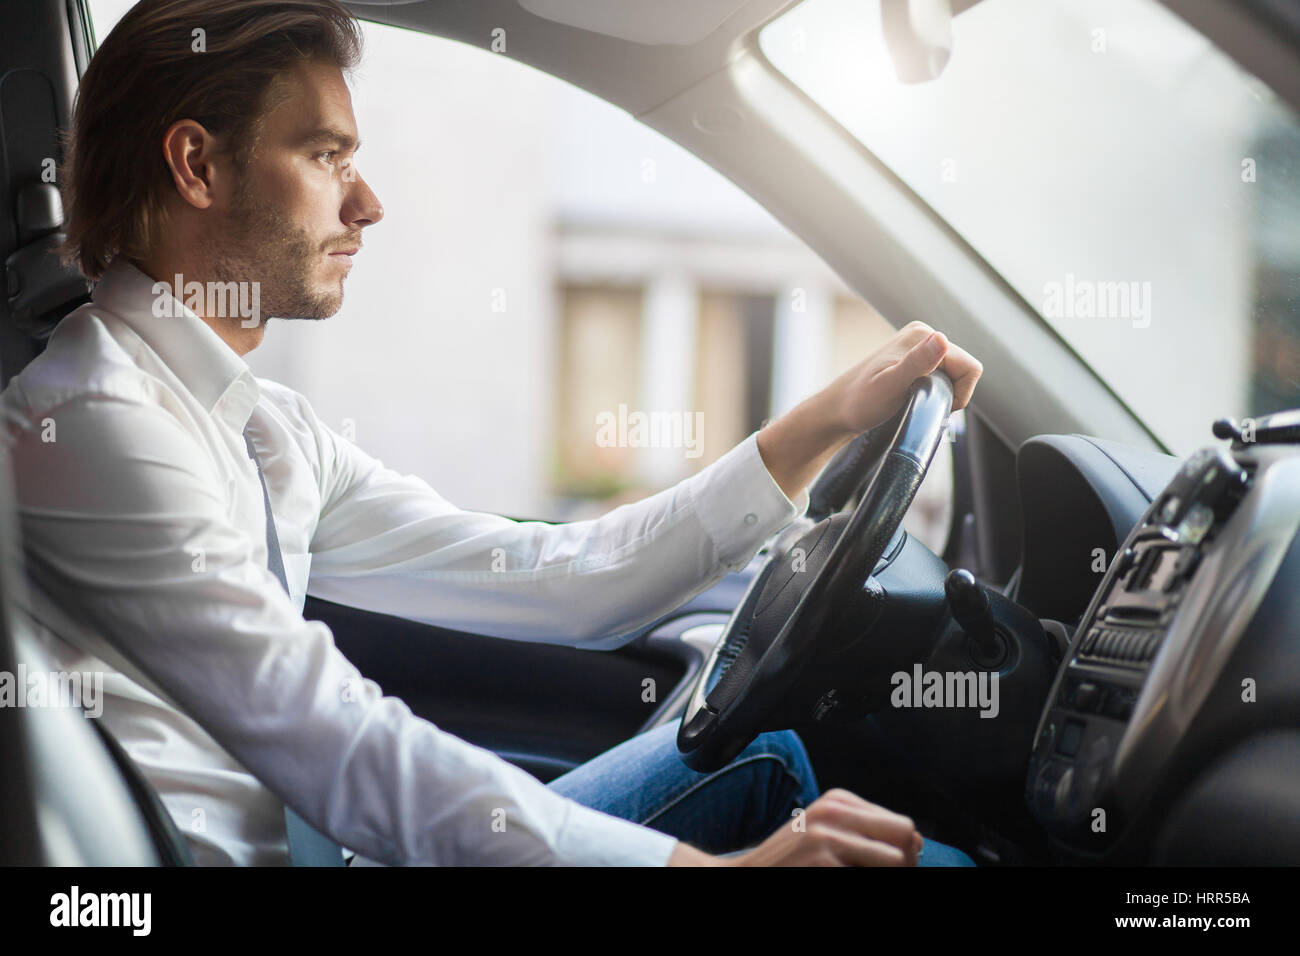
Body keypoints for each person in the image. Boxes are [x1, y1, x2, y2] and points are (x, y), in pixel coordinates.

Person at [1, 0, 981, 866]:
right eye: (325, 155)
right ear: (196, 164)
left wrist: (824, 418)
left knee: (771, 764)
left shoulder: (263, 427)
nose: (366, 203)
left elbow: (564, 577)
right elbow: (332, 735)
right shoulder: (91, 425)